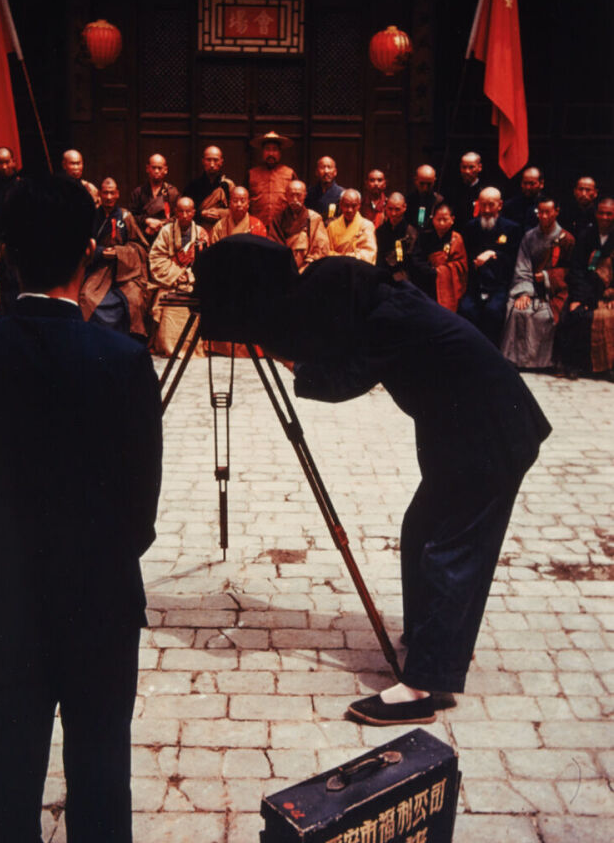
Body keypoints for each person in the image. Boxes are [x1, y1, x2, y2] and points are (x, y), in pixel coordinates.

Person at [194, 238, 551, 725]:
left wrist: (284, 354)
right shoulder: (386, 298)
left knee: (451, 549)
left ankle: (423, 687)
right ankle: (435, 640)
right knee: (421, 529)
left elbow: (343, 379)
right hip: (470, 431)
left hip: (491, 438)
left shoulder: (391, 321)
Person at [0, 176, 165, 843]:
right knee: (99, 752)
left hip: (4, 586)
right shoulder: (122, 359)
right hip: (99, 594)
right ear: (87, 257)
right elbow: (141, 509)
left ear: (8, 258)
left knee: (9, 748)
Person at [501, 196, 574, 369]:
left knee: (545, 316)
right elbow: (522, 265)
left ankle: (543, 363)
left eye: (547, 212)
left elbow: (571, 270)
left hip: (554, 292)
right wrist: (524, 292)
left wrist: (549, 276)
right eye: (540, 212)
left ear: (556, 212)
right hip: (530, 287)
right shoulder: (529, 237)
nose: (543, 216)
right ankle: (516, 361)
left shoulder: (567, 239)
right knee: (517, 310)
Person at [79, 177, 149, 339]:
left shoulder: (126, 216)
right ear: (100, 195)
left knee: (135, 299)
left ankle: (131, 343)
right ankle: (95, 340)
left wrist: (119, 252)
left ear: (117, 194)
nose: (109, 197)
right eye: (105, 193)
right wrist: (100, 252)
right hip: (99, 269)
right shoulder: (92, 217)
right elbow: (82, 245)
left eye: (112, 193)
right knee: (87, 298)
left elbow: (140, 246)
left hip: (125, 271)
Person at [556, 196, 614, 380]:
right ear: (596, 214)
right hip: (586, 290)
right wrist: (581, 299)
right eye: (602, 213)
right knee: (577, 315)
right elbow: (577, 270)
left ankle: (608, 368)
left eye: (609, 214)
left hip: (610, 293)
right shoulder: (586, 235)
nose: (605, 217)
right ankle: (576, 366)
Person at [458, 186, 520, 344]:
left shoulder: (511, 229)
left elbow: (514, 259)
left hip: (499, 285)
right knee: (466, 310)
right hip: (475, 284)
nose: (486, 210)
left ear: (499, 205)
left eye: (491, 205)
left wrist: (494, 255)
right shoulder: (470, 227)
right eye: (483, 204)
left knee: (493, 312)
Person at [149, 195, 209, 356]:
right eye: (180, 211)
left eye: (188, 212)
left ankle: (192, 348)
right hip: (170, 282)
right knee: (163, 304)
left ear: (193, 213)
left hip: (192, 282)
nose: (184, 216)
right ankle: (168, 347)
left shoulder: (201, 234)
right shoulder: (166, 231)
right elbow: (156, 258)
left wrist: (188, 276)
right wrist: (177, 275)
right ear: (175, 212)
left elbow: (205, 263)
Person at [410, 201, 467, 311]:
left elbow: (461, 265)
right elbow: (416, 259)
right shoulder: (424, 236)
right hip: (426, 281)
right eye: (438, 219)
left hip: (448, 285)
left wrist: (440, 271)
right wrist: (430, 270)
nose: (441, 223)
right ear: (433, 219)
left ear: (452, 220)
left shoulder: (456, 239)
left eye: (445, 219)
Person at [268, 179, 329, 271]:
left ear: (305, 195)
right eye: (291, 195)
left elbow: (320, 248)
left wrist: (306, 267)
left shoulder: (314, 218)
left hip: (308, 269)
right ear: (286, 196)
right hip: (283, 267)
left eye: (299, 195)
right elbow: (273, 245)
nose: (295, 199)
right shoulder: (278, 219)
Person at [182, 145, 234, 237]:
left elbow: (236, 210)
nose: (212, 164)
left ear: (221, 161)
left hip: (223, 232)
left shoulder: (227, 185)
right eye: (208, 160)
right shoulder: (193, 186)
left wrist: (220, 213)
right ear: (203, 161)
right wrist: (201, 213)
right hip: (199, 232)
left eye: (215, 160)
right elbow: (184, 211)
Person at [247, 130, 296, 226]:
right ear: (262, 152)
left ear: (280, 152)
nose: (271, 154)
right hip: (256, 225)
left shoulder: (289, 173)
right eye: (267, 149)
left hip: (282, 226)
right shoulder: (252, 173)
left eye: (274, 149)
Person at [130, 153, 179, 242]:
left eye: (159, 168)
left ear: (165, 170)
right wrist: (147, 221)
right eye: (153, 168)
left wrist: (160, 224)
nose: (156, 171)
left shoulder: (172, 192)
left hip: (166, 237)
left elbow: (177, 217)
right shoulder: (138, 192)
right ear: (147, 169)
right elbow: (132, 216)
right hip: (143, 236)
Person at [374, 192, 417, 280]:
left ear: (404, 207)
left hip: (403, 275)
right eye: (390, 209)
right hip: (383, 273)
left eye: (397, 209)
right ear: (385, 208)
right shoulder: (380, 231)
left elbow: (411, 260)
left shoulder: (411, 232)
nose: (393, 213)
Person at [327, 189, 377, 263]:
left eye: (354, 206)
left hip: (356, 268)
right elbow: (325, 251)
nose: (350, 210)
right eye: (346, 205)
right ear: (341, 205)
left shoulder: (367, 226)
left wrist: (343, 257)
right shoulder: (332, 226)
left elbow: (368, 254)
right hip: (335, 267)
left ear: (359, 205)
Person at [503, 166, 544, 232]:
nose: (527, 187)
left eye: (532, 184)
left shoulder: (547, 205)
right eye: (525, 183)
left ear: (541, 184)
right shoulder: (510, 205)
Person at [305, 156, 345, 225]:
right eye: (322, 167)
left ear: (335, 172)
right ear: (316, 172)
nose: (326, 171)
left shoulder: (343, 193)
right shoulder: (309, 193)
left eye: (329, 167)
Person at [405, 164, 443, 230]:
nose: (425, 188)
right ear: (415, 180)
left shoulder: (440, 201)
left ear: (434, 181)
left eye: (429, 184)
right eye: (422, 184)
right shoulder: (408, 200)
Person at [450, 151, 483, 226]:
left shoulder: (484, 191)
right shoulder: (453, 191)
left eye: (471, 167)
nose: (467, 171)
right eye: (464, 167)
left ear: (479, 167)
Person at [562, 175, 598, 242]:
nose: (583, 194)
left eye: (588, 190)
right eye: (581, 189)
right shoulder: (566, 213)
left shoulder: (600, 214)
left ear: (595, 193)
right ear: (575, 191)